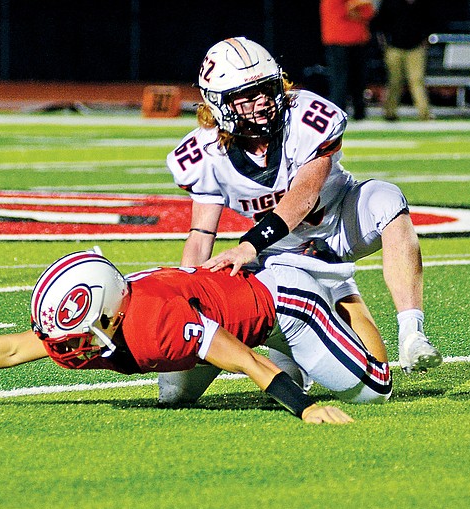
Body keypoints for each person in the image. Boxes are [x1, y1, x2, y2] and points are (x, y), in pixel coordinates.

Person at [164, 37, 440, 406]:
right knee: (175, 392)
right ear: (218, 103)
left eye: (266, 89)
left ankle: (412, 333)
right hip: (283, 254)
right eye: (247, 95)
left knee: (387, 198)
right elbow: (201, 235)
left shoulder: (306, 117)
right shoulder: (203, 154)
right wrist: (188, 292)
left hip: (342, 219)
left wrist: (249, 245)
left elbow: (302, 197)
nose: (262, 101)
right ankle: (290, 355)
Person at [0, 249, 396, 424]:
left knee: (373, 387)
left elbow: (246, 361)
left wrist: (303, 407)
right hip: (207, 317)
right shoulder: (109, 319)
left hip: (278, 304)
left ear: (109, 315)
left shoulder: (154, 327)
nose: (67, 349)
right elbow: (16, 346)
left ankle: (346, 293)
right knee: (174, 394)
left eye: (77, 336)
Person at [371, 0, 434, 121]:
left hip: (415, 48)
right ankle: (390, 112)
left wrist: (424, 41)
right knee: (394, 82)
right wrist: (384, 44)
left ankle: (424, 113)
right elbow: (379, 23)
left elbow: (429, 21)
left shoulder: (422, 4)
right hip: (394, 48)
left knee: (416, 81)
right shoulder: (390, 3)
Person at [319, 0, 376, 120]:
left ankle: (347, 112)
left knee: (353, 78)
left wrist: (355, 9)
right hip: (341, 39)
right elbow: (361, 10)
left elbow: (368, 11)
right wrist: (357, 10)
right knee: (342, 79)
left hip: (350, 39)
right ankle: (343, 112)